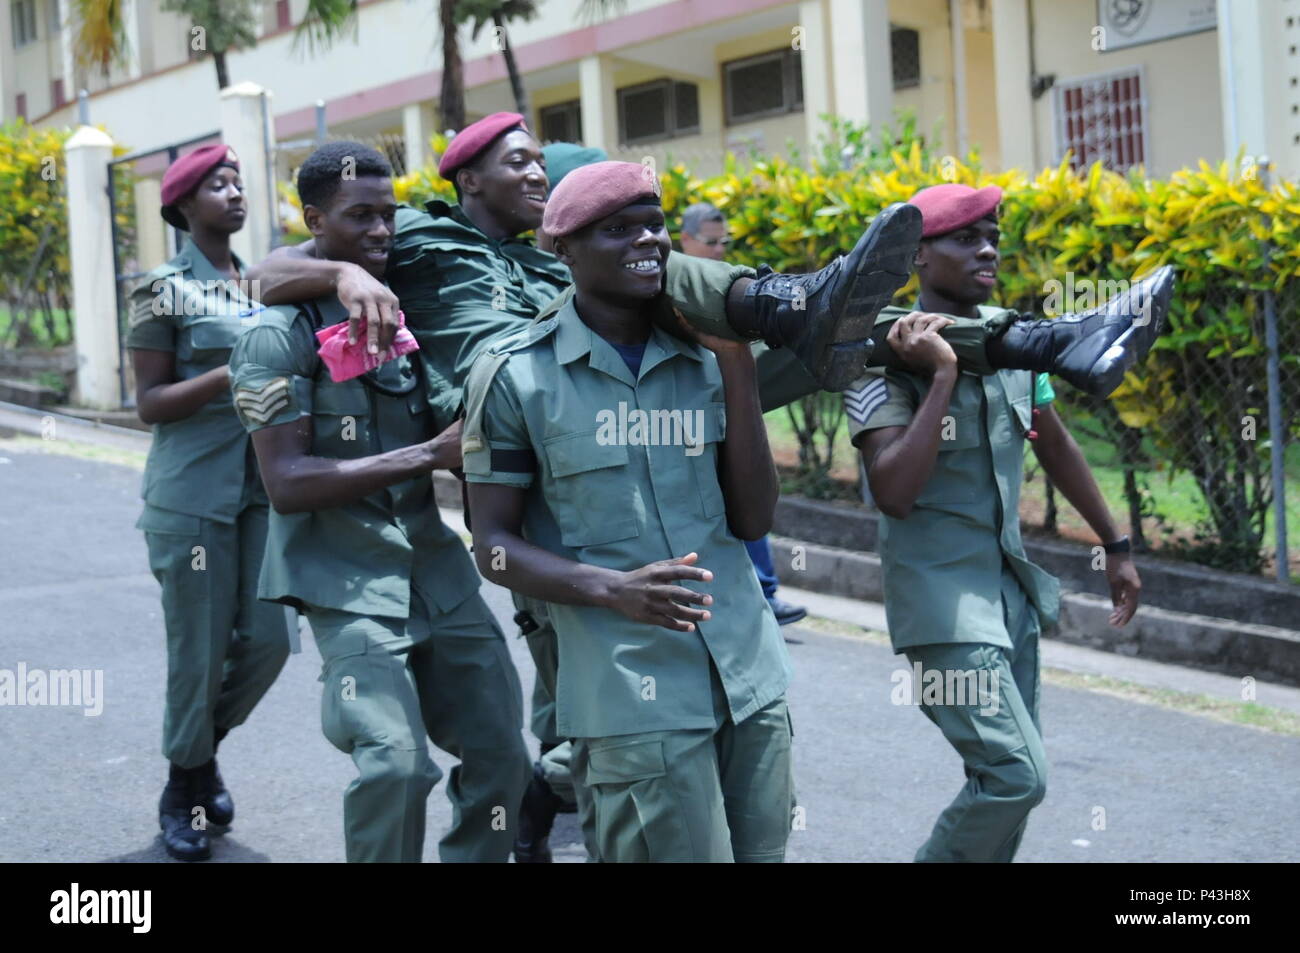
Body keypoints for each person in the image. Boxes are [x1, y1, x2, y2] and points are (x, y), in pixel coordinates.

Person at [463, 160, 794, 862]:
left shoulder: (704, 353)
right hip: (629, 697)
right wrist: (610, 588)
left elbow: (755, 517)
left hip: (748, 675)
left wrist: (737, 362)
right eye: (618, 228)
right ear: (565, 250)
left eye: (654, 222)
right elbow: (490, 545)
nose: (648, 240)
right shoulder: (517, 373)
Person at [228, 142, 530, 863]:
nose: (381, 231)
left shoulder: (401, 313)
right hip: (345, 577)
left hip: (435, 569)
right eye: (359, 216)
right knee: (394, 766)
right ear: (314, 219)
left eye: (388, 215)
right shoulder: (277, 335)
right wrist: (428, 455)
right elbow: (288, 483)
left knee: (502, 759)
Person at [847, 183, 1162, 862]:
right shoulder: (881, 350)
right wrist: (938, 379)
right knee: (1019, 777)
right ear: (919, 257)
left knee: (1000, 781)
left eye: (992, 235)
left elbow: (1052, 440)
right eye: (964, 237)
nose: (986, 248)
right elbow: (893, 490)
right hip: (941, 611)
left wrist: (1116, 543)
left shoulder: (1009, 337)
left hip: (1009, 599)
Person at [127, 144, 292, 862]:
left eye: (236, 182)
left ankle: (196, 752)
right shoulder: (159, 289)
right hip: (191, 496)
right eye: (215, 185)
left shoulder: (263, 282)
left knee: (268, 641)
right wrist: (234, 369)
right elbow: (151, 404)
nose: (232, 192)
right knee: (196, 653)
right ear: (183, 206)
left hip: (264, 490)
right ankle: (183, 786)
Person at [679, 200, 808, 627]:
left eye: (724, 242)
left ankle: (765, 592)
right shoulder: (669, 286)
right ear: (684, 240)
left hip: (729, 408)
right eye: (710, 242)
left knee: (751, 491)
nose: (719, 250)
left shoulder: (729, 289)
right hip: (687, 420)